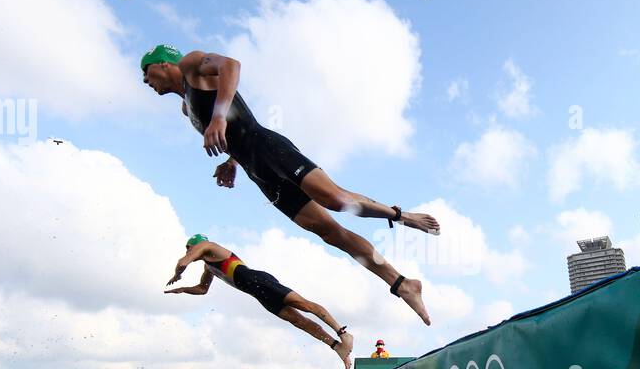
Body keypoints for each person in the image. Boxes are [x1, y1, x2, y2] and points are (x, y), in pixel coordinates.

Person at [141, 44, 439, 326]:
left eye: (146, 71)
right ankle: (402, 284)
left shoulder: (191, 63)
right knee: (332, 233)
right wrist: (230, 162)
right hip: (257, 172)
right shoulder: (186, 108)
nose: (145, 81)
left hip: (267, 147)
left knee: (335, 199)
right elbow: (230, 131)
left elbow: (231, 65)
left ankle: (401, 215)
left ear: (163, 62)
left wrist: (218, 118)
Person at [166, 234, 355, 369]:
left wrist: (177, 275)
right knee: (298, 321)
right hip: (257, 293)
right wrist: (183, 289)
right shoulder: (209, 267)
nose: (190, 252)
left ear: (192, 245)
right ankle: (336, 346)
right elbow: (202, 289)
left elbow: (183, 262)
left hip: (258, 280)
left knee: (304, 305)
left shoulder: (207, 246)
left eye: (189, 249)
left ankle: (342, 333)